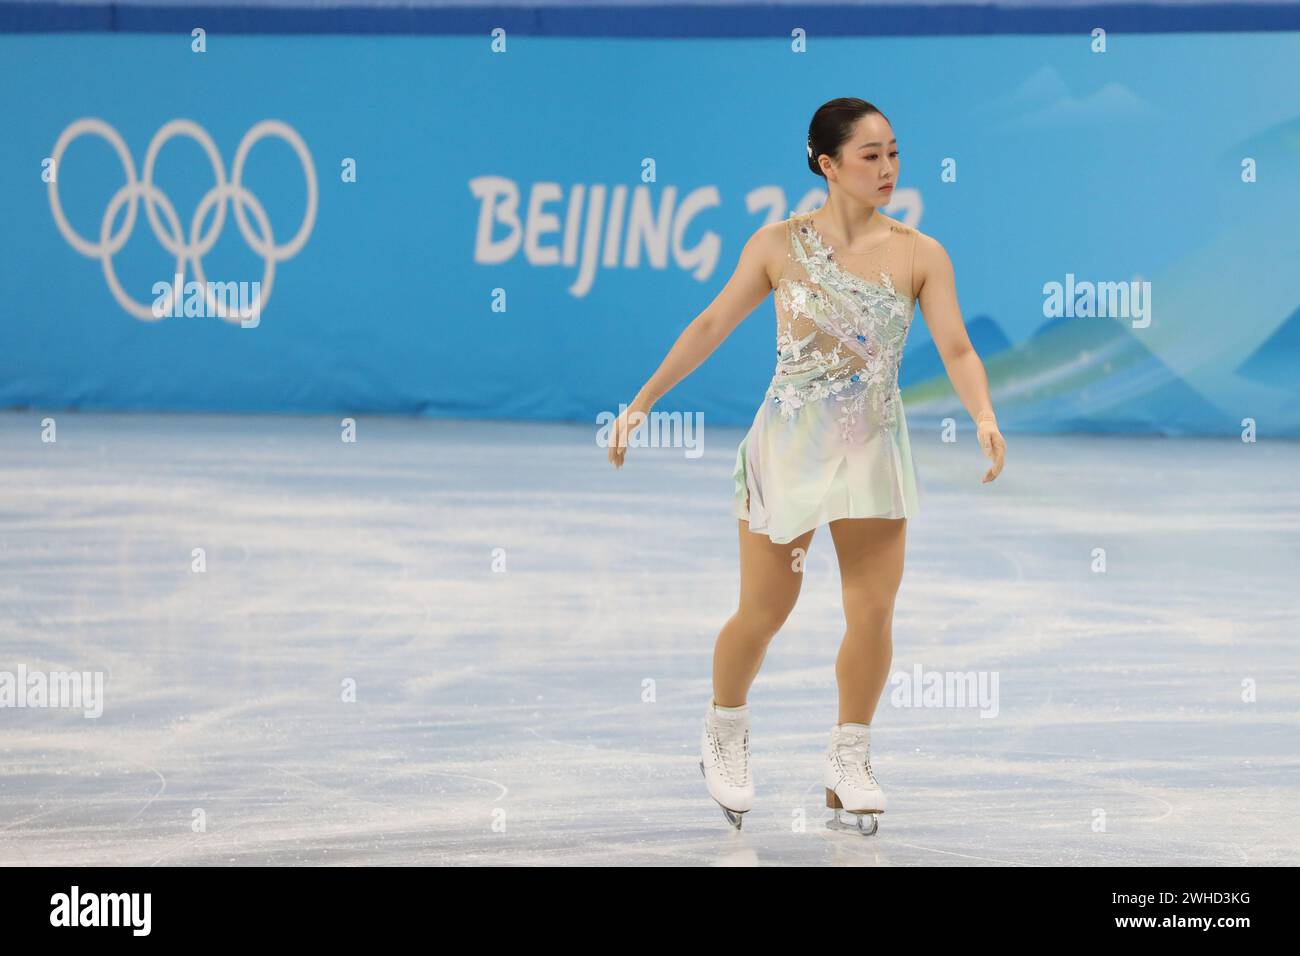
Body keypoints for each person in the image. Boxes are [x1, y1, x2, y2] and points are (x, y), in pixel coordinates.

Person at [607, 97, 1006, 833]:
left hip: (873, 448)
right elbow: (711, 323)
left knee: (874, 608)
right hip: (788, 446)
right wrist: (641, 404)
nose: (887, 168)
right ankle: (724, 729)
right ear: (827, 164)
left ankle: (849, 755)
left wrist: (982, 413)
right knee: (766, 611)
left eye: (893, 152)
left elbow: (956, 347)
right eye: (869, 155)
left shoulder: (922, 253)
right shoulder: (777, 246)